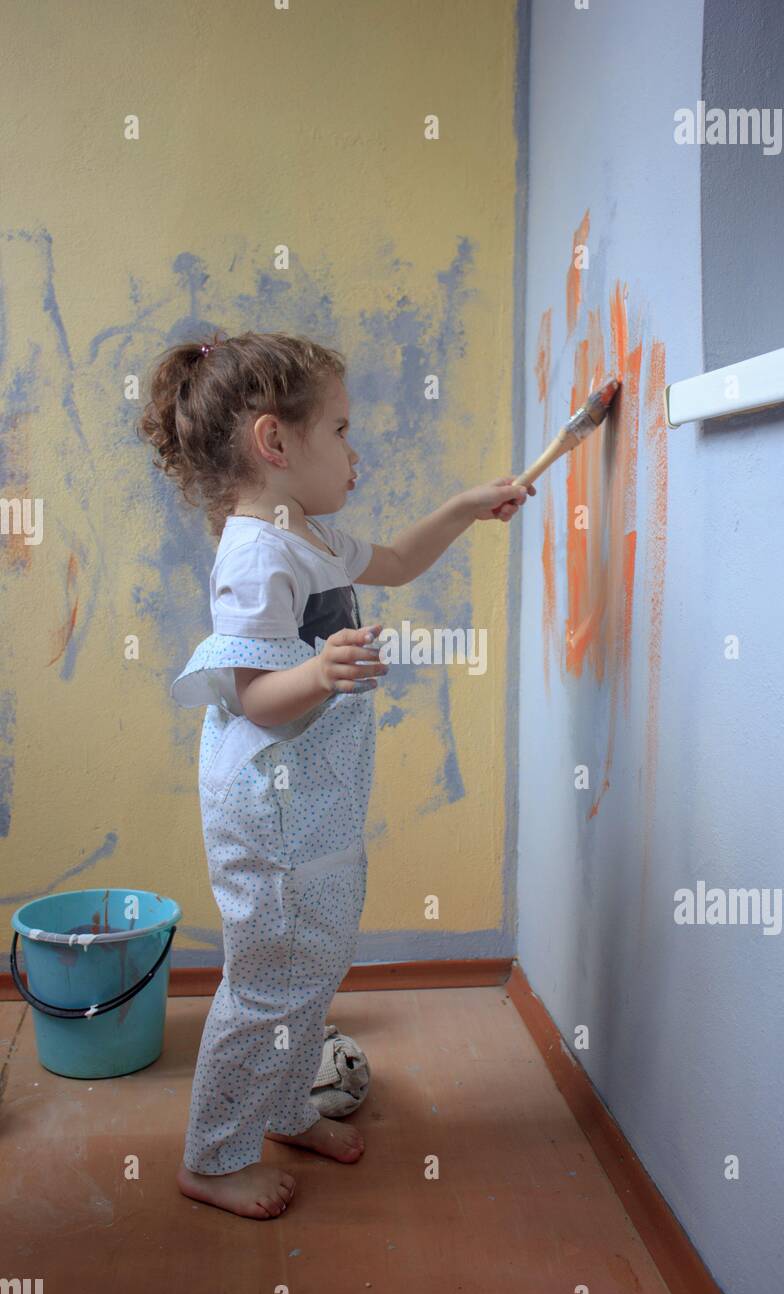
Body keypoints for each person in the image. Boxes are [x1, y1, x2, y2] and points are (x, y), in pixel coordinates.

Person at [137, 330, 533, 1220]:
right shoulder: (254, 553)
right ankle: (212, 1155)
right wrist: (318, 673)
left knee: (310, 968)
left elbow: (392, 563)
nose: (357, 452)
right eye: (343, 431)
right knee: (266, 982)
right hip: (268, 816)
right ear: (275, 444)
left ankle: (281, 1109)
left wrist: (466, 508)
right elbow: (251, 695)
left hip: (311, 808)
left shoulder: (308, 534)